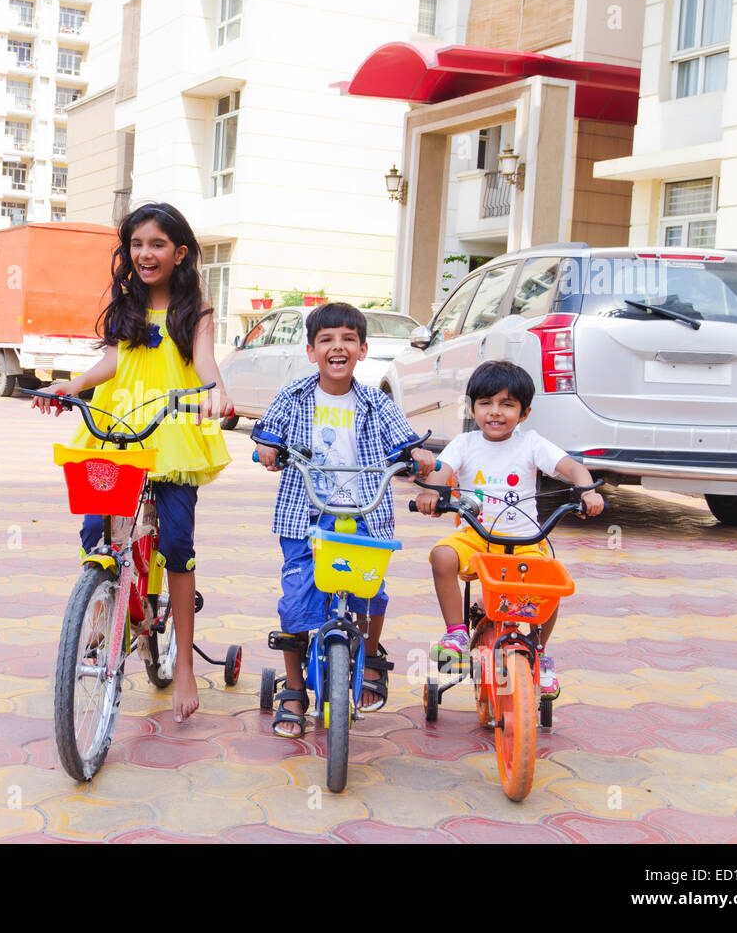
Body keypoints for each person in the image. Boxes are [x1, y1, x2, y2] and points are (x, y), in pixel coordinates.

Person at [33, 202, 233, 724]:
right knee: (96, 528)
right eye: (137, 244)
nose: (145, 253)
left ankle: (183, 664)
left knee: (177, 543)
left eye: (157, 244)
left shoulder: (196, 310)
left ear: (180, 253)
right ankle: (103, 611)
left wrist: (215, 392)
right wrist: (73, 384)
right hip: (121, 423)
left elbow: (205, 362)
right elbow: (115, 359)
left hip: (174, 427)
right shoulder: (128, 304)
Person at [254, 302, 436, 738]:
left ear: (363, 349)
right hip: (305, 516)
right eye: (327, 340)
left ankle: (369, 658)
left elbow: (403, 442)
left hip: (364, 515)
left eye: (348, 339)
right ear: (311, 351)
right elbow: (268, 432)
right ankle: (293, 688)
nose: (338, 347)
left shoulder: (375, 402)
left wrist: (416, 455)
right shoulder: (295, 395)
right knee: (297, 599)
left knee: (370, 592)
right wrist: (267, 448)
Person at [414, 359, 604, 699]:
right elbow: (442, 471)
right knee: (442, 556)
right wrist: (433, 492)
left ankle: (539, 650)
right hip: (476, 537)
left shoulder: (531, 443)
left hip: (524, 541)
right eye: (485, 402)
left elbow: (572, 467)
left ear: (524, 412)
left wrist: (587, 491)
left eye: (507, 404)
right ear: (471, 407)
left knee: (551, 580)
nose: (495, 412)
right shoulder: (465, 443)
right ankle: (456, 633)